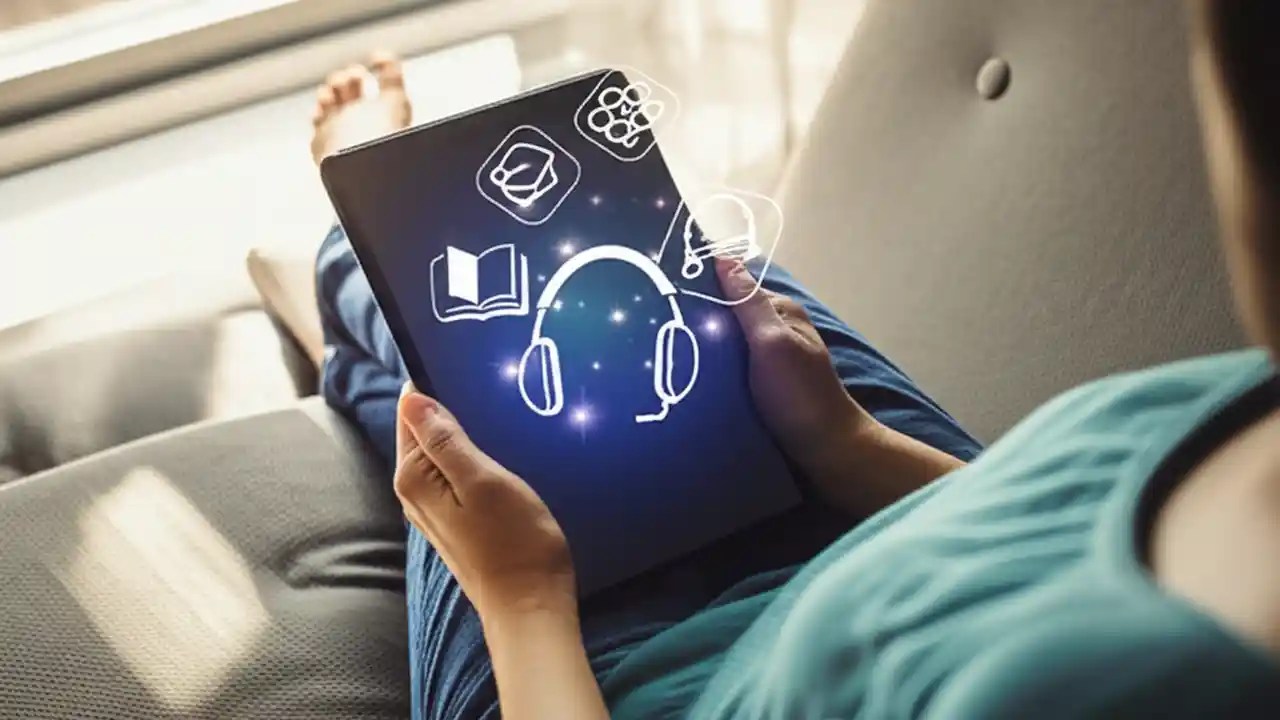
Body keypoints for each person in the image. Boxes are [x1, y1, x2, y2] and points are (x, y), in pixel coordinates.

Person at [310, 0, 1280, 714]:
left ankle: (344, 244)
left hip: (591, 677)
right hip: (891, 514)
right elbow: (1053, 529)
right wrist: (842, 441)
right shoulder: (1249, 394)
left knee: (429, 344)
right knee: (722, 283)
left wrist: (518, 596)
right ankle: (355, 316)